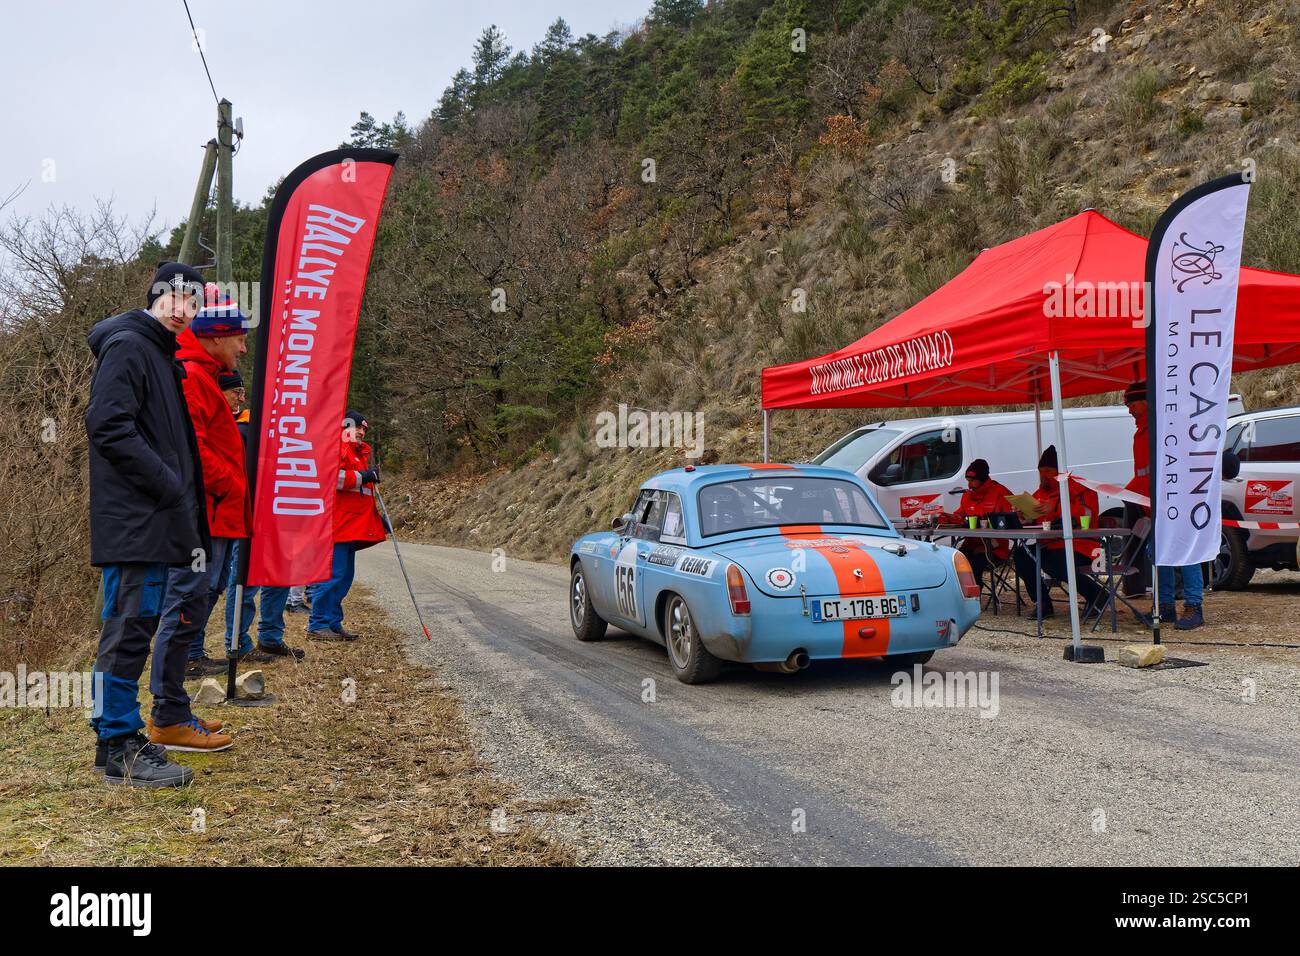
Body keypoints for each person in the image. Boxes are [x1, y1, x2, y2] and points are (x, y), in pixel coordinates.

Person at [86, 262, 215, 786]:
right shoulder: (129, 345)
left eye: (196, 303)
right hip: (135, 521)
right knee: (126, 630)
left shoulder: (161, 354)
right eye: (179, 299)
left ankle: (117, 738)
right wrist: (168, 483)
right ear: (157, 297)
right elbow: (107, 425)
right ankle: (117, 747)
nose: (186, 310)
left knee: (134, 628)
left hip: (154, 521)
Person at [217, 367, 306, 661]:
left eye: (243, 392)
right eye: (236, 392)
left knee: (279, 574)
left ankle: (270, 636)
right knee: (245, 577)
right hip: (248, 511)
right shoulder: (238, 427)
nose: (241, 398)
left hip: (277, 507)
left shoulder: (264, 423)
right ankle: (237, 643)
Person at [1125, 380, 1205, 630]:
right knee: (1161, 555)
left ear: (1146, 402)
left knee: (1187, 554)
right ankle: (1166, 608)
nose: (1129, 409)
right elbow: (1144, 475)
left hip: (1175, 503)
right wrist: (1128, 491)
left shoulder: (1164, 429)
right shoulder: (1143, 432)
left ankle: (1194, 606)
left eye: (1131, 403)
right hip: (1156, 508)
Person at [307, 410, 387, 641]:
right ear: (344, 427)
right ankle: (318, 624)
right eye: (356, 427)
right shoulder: (336, 448)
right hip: (337, 525)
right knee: (334, 575)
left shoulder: (357, 453)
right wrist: (364, 476)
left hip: (352, 525)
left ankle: (332, 622)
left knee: (344, 577)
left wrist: (375, 517)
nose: (361, 432)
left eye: (364, 429)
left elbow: (359, 494)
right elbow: (332, 478)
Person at [1012, 445, 1105, 618]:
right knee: (1021, 555)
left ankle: (1097, 595)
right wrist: (1024, 515)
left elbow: (1087, 515)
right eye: (1040, 471)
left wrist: (1055, 509)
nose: (1043, 475)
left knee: (1053, 563)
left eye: (1047, 470)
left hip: (1081, 545)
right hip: (1049, 545)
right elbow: (1037, 521)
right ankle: (1043, 603)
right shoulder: (1040, 493)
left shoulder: (1078, 487)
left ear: (1059, 470)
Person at [937, 459, 1013, 589]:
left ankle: (974, 597)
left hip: (995, 547)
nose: (969, 485)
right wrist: (949, 517)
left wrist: (988, 542)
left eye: (972, 481)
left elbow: (1010, 521)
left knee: (973, 564)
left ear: (982, 479)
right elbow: (960, 515)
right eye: (967, 481)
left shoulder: (1000, 492)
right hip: (971, 544)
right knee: (955, 561)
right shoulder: (967, 496)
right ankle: (962, 594)